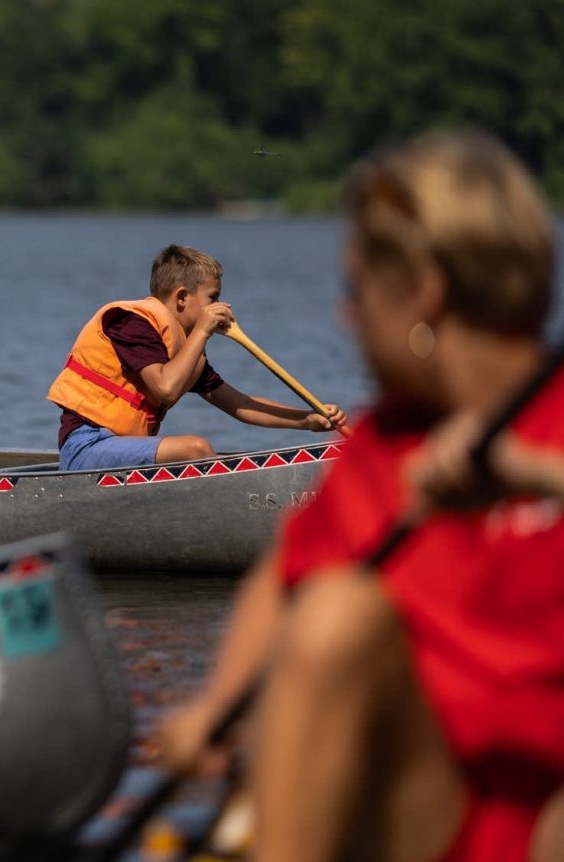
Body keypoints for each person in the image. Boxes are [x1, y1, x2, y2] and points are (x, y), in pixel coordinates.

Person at [158, 130, 564, 860]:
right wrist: (218, 706)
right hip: (429, 810)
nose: (345, 316)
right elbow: (285, 578)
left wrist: (532, 475)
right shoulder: (387, 443)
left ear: (422, 294)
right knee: (338, 612)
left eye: (355, 291)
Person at [46, 244, 347, 471]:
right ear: (181, 298)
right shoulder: (131, 323)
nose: (222, 305)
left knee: (207, 451)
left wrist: (306, 420)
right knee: (196, 448)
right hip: (85, 448)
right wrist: (202, 331)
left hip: (120, 450)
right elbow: (165, 388)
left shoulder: (185, 353)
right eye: (213, 297)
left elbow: (241, 406)